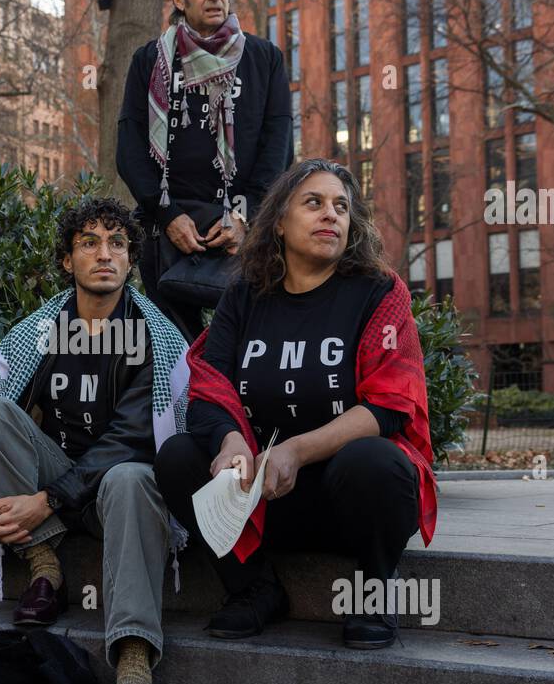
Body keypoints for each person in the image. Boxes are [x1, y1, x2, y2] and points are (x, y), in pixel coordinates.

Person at [154, 159, 438, 649]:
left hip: (349, 501)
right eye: (314, 203)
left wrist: (296, 451)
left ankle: (374, 590)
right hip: (262, 500)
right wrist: (232, 444)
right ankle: (255, 588)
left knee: (375, 458)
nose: (331, 215)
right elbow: (209, 385)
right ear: (279, 222)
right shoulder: (244, 294)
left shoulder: (378, 292)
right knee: (180, 454)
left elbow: (392, 403)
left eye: (341, 207)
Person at [0, 197, 189, 684]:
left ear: (131, 260)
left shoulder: (156, 337)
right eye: (89, 242)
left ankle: (133, 675)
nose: (104, 254)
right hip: (55, 488)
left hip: (122, 500)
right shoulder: (38, 331)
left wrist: (46, 501)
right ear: (67, 260)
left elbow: (131, 440)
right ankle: (43, 565)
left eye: (117, 243)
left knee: (130, 476)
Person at [116, 0, 292, 342]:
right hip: (168, 234)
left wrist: (246, 217)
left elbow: (277, 145)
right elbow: (129, 149)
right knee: (174, 351)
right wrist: (167, 215)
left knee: (243, 346)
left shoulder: (264, 58)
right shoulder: (150, 61)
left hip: (241, 231)